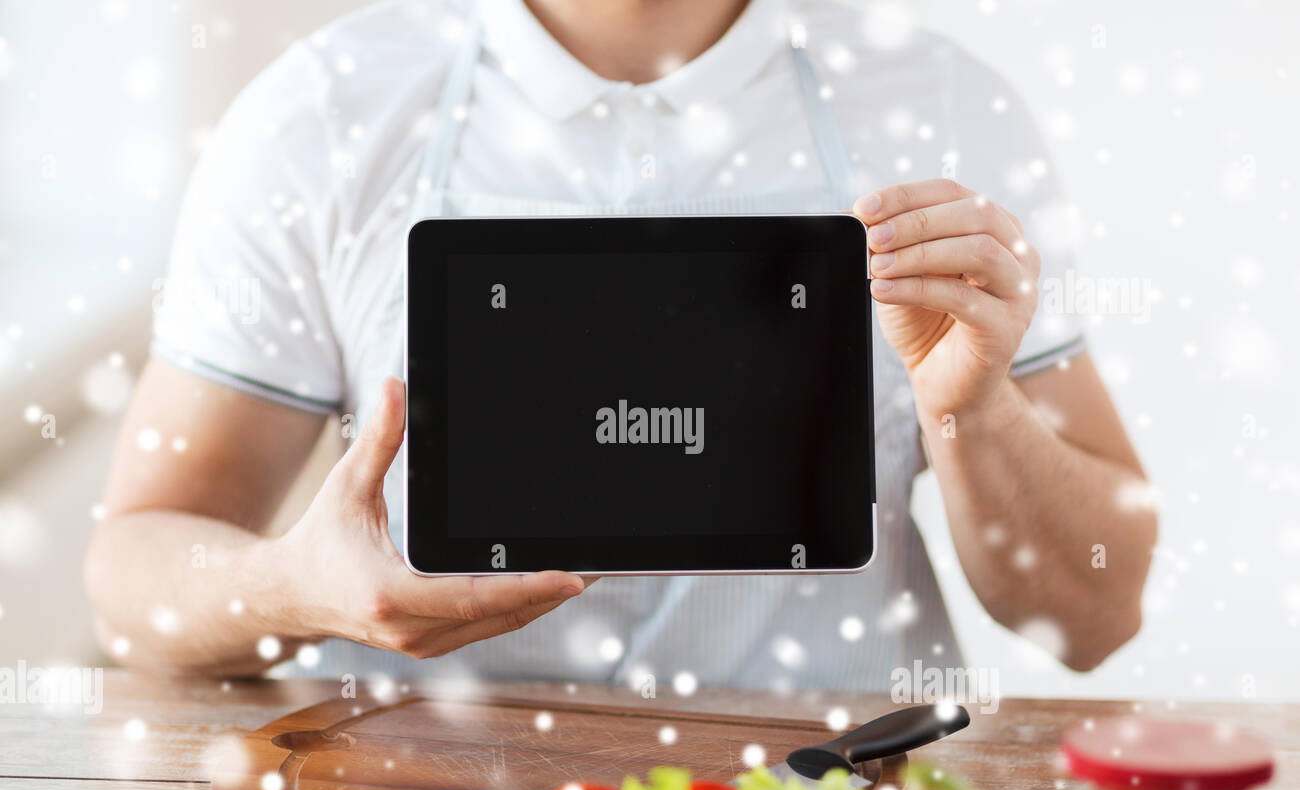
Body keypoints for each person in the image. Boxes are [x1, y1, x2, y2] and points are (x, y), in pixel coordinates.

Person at [84, 0, 1156, 688]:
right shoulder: (322, 112)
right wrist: (294, 590)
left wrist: (975, 407)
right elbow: (130, 577)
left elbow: (1096, 613)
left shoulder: (943, 106)